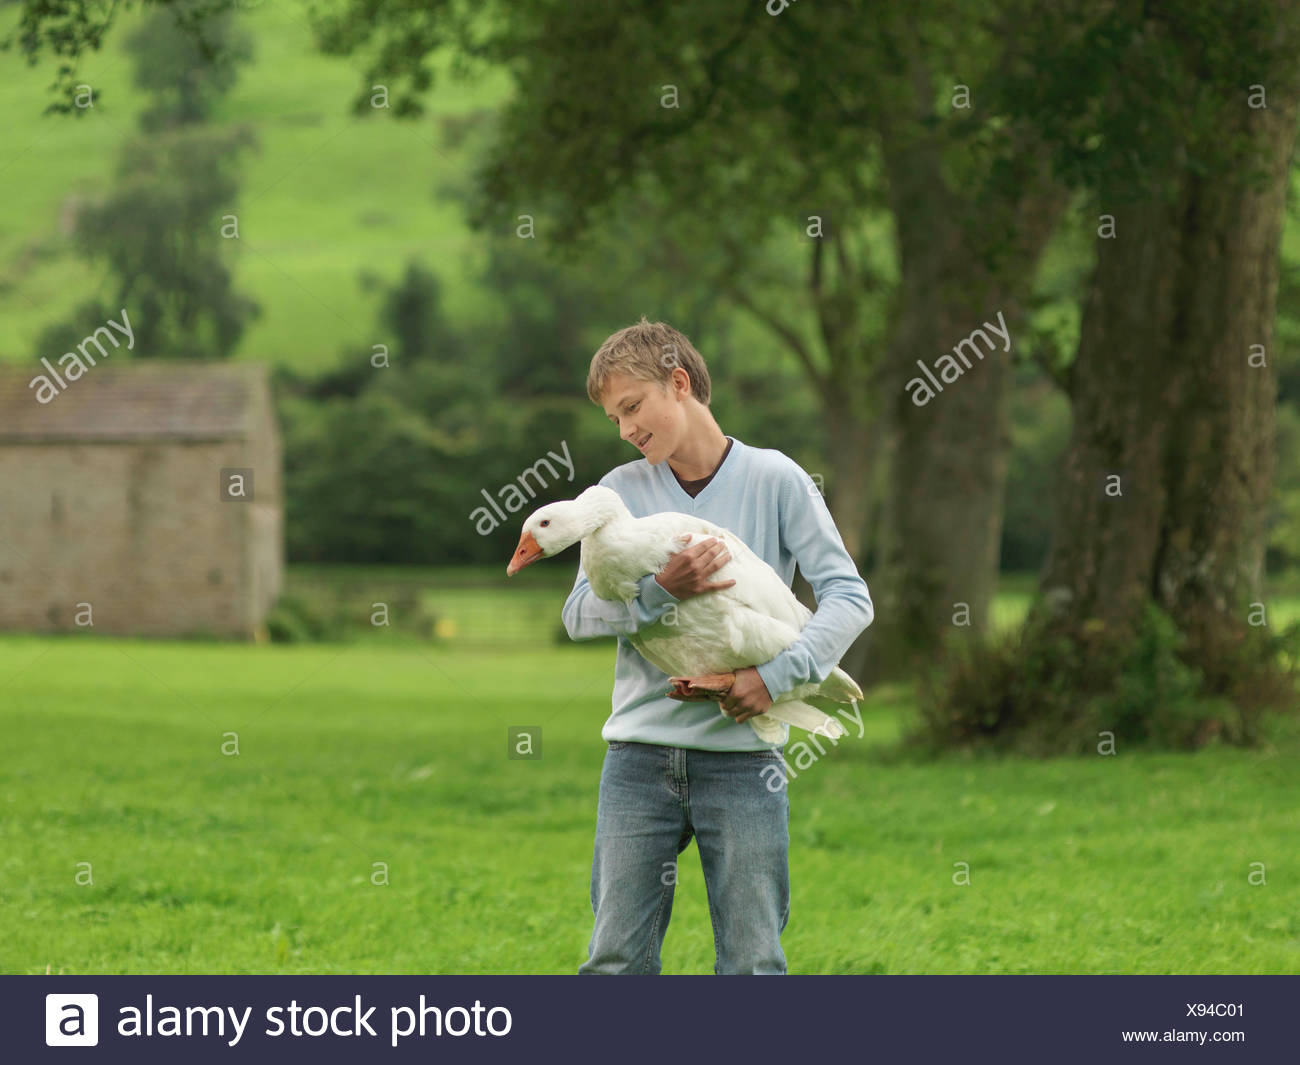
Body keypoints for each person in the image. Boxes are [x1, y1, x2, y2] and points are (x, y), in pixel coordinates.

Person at [563, 317, 873, 974]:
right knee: (615, 961)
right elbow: (579, 617)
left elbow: (849, 597)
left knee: (753, 964)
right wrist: (658, 593)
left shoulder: (777, 479)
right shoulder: (617, 492)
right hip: (638, 758)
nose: (624, 429)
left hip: (743, 761)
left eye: (631, 407)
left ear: (679, 383)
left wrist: (776, 677)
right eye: (613, 418)